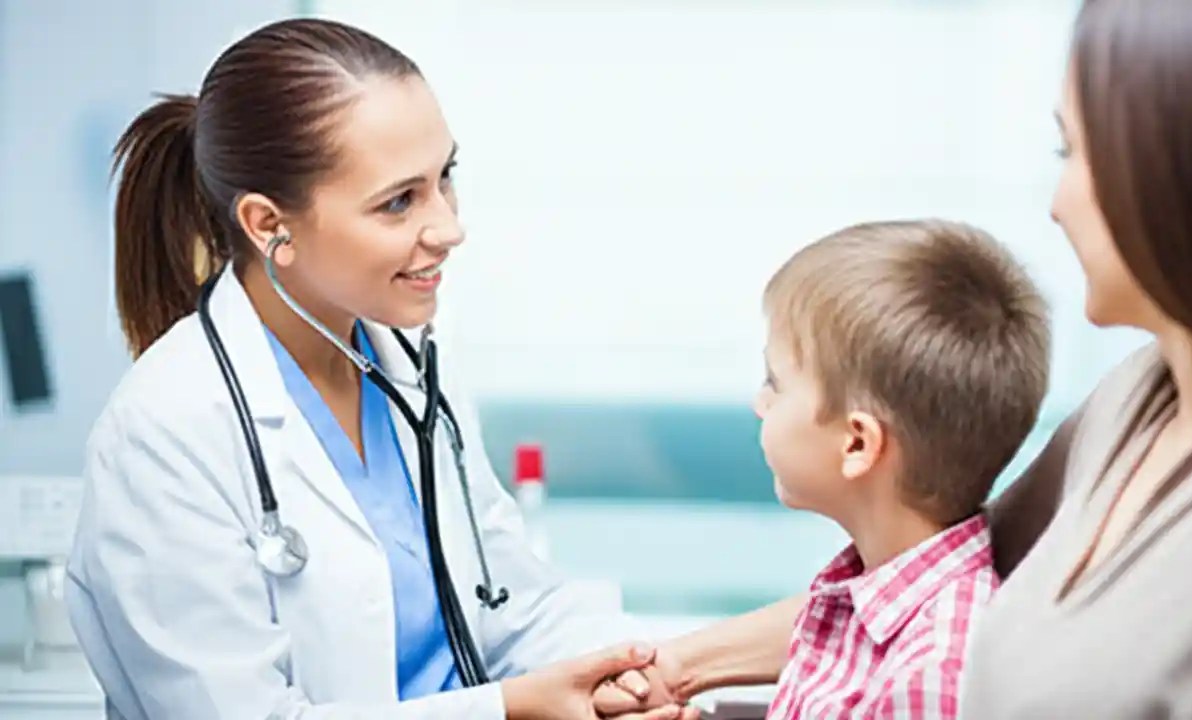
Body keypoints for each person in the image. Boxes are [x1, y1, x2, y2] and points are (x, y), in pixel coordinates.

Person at [64, 17, 699, 720]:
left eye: (444, 178)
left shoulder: (412, 370)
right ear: (269, 225)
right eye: (399, 201)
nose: (449, 228)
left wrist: (634, 675)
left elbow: (508, 602)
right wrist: (510, 708)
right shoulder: (165, 431)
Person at [960, 0, 1192, 716]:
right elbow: (929, 581)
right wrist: (685, 666)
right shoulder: (1135, 397)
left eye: (1071, 152)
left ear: (1185, 173)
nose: (1056, 205)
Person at [754, 220, 1049, 718]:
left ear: (856, 442)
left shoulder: (931, 681)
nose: (759, 403)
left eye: (774, 383)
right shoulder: (872, 604)